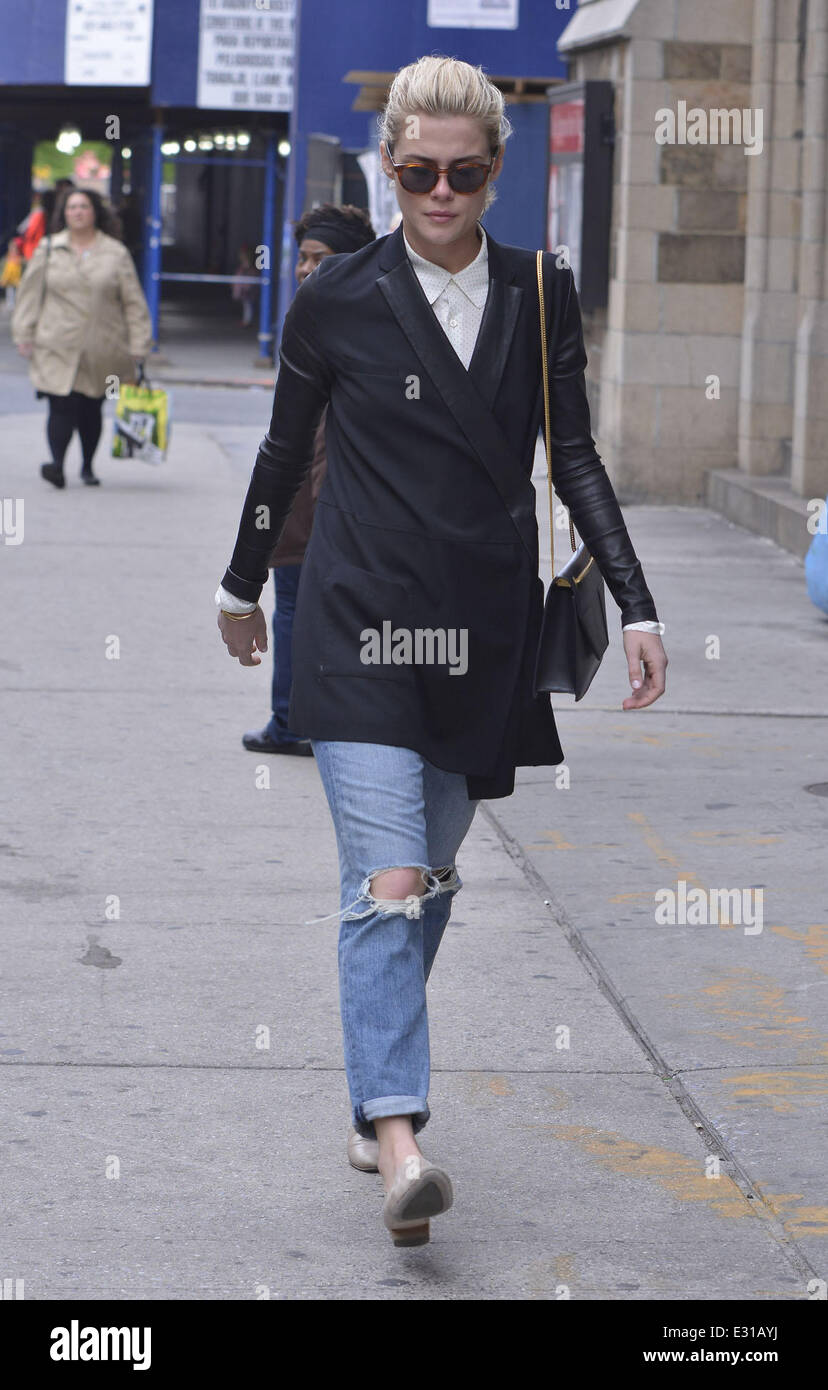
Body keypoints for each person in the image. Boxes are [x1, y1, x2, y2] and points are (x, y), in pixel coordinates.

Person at [216, 55, 667, 1247]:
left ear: (497, 175)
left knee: (435, 878)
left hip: (483, 635)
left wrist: (641, 602)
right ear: (388, 169)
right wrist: (242, 579)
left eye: (464, 174)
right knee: (391, 880)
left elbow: (573, 455)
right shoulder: (338, 299)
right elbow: (281, 455)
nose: (440, 194)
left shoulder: (539, 289)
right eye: (417, 172)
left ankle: (373, 1089)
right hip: (361, 625)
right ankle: (404, 1145)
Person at [241, 204, 376, 758]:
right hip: (315, 497)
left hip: (323, 498)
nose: (302, 268)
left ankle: (292, 722)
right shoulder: (348, 310)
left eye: (316, 258)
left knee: (298, 606)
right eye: (300, 257)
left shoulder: (337, 318)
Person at [11, 186, 151, 488]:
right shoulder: (49, 249)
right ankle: (57, 465)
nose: (77, 212)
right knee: (60, 403)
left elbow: (133, 302)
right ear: (64, 214)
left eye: (83, 207)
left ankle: (87, 465)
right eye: (72, 207)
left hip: (102, 346)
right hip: (56, 344)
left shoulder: (116, 253)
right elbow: (29, 295)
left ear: (95, 213)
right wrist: (24, 333)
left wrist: (139, 344)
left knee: (90, 407)